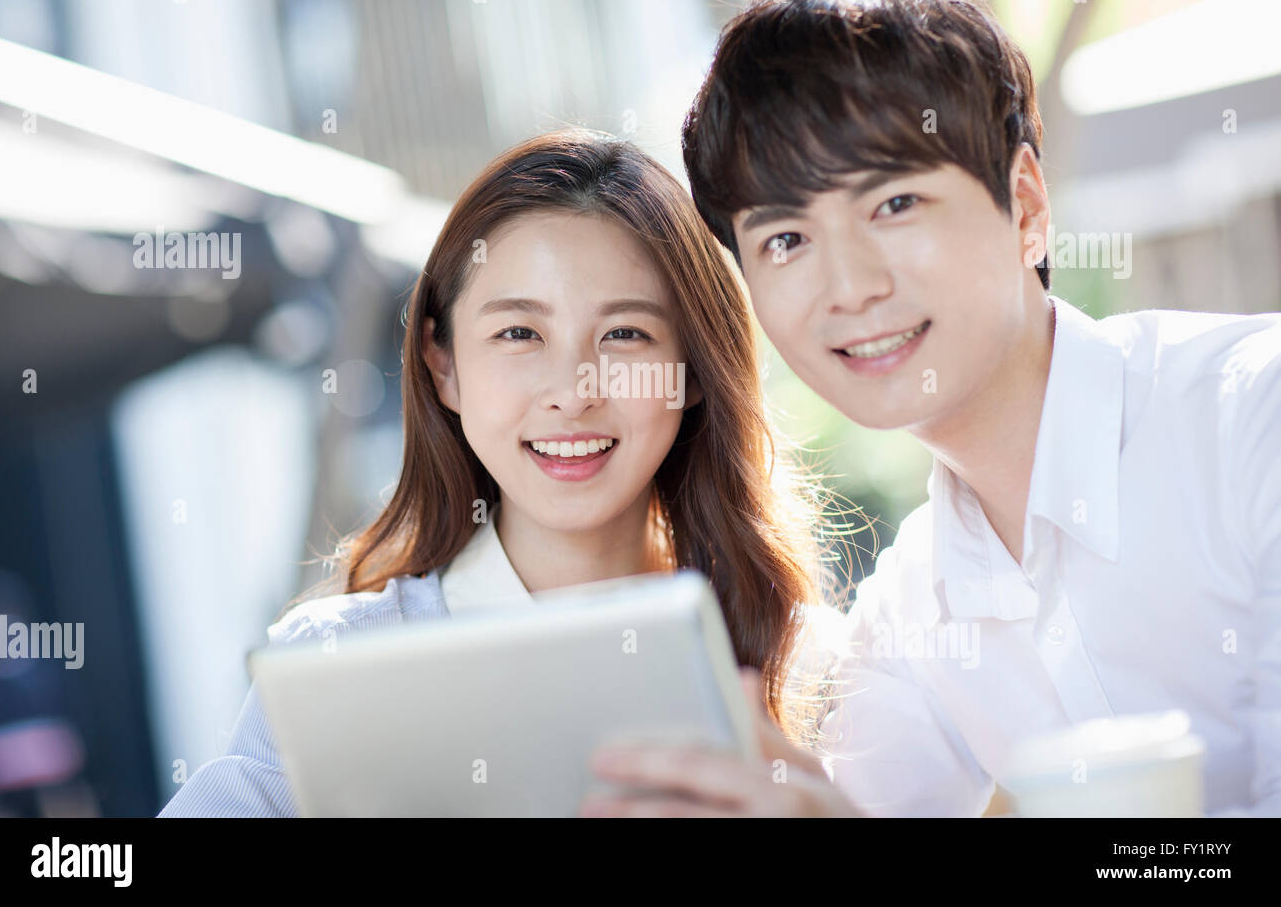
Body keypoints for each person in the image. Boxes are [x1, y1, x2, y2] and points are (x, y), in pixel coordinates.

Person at [581, 0, 1281, 817]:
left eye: (895, 203)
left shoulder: (1253, 420)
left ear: (1024, 205)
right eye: (787, 238)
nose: (849, 286)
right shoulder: (910, 615)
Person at [158, 128, 853, 817]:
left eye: (624, 334)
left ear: (693, 371)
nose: (572, 390)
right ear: (444, 364)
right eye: (519, 334)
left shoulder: (819, 669)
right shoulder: (338, 665)